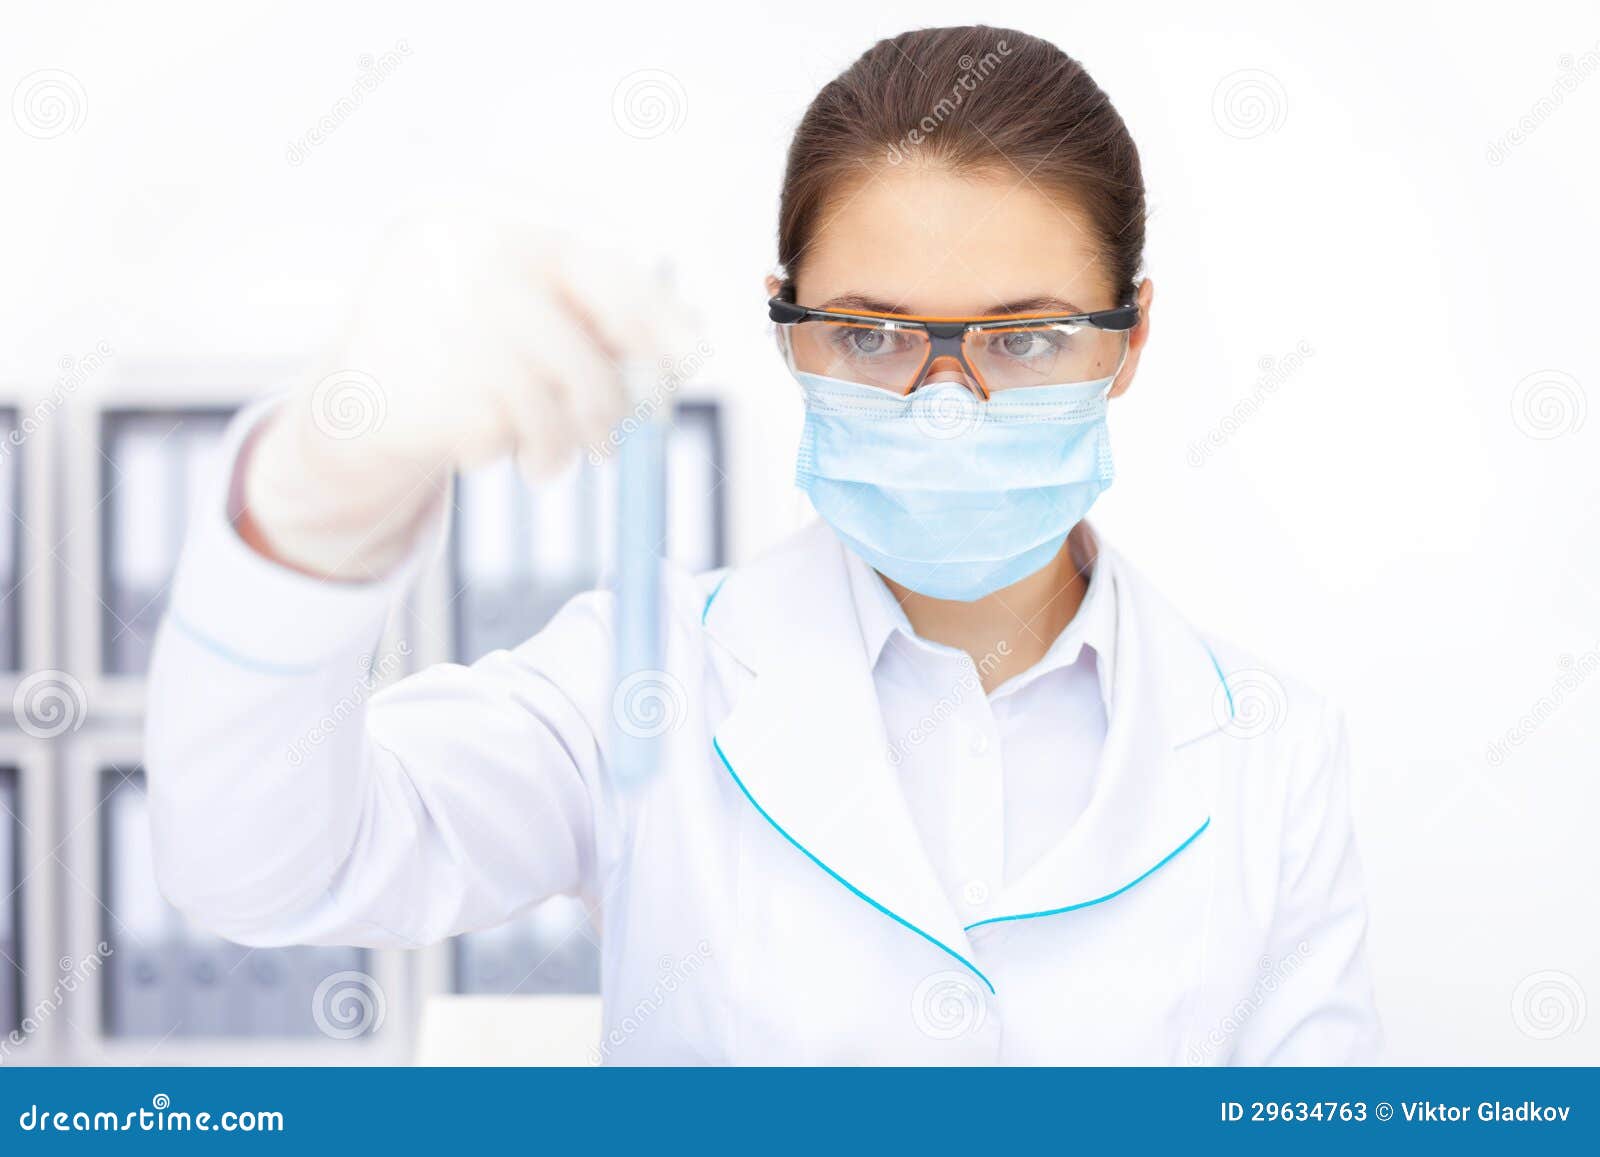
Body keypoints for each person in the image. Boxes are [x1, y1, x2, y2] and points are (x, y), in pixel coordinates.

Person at [146, 24, 1380, 1064]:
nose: (944, 403)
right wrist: (320, 491)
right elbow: (262, 870)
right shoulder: (642, 679)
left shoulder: (1271, 751)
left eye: (1024, 338)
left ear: (1131, 336)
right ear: (787, 328)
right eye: (870, 334)